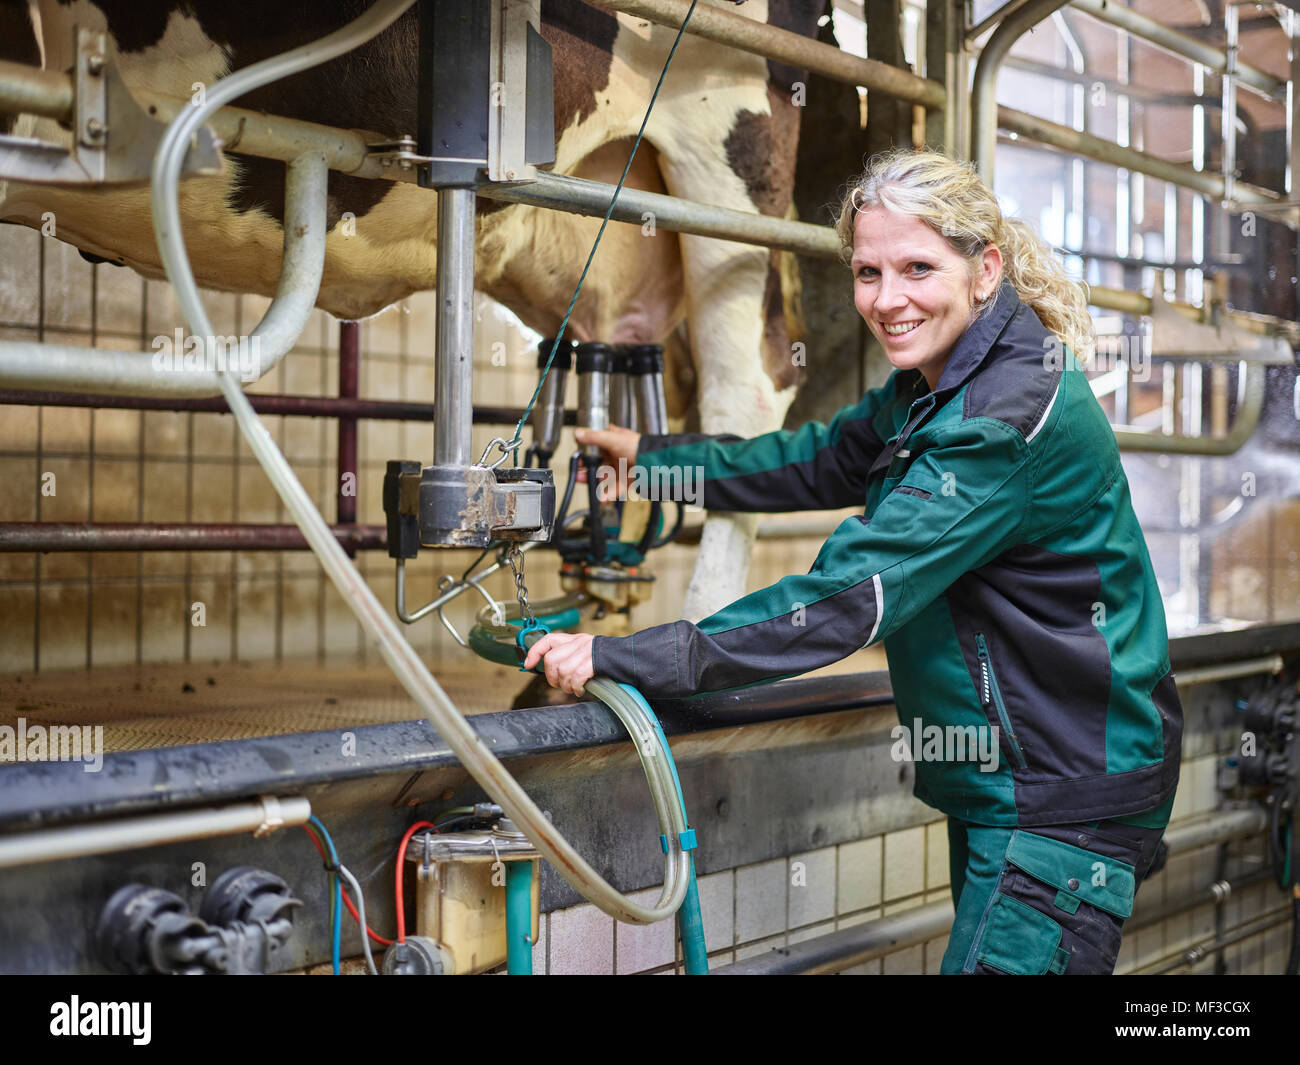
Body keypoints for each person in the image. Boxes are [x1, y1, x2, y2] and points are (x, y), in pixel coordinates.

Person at [523, 148, 1182, 975]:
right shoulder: (940, 379)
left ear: (986, 269)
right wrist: (655, 461)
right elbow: (821, 457)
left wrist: (630, 653)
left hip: (1059, 794)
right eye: (868, 272)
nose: (886, 299)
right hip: (1022, 778)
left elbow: (849, 595)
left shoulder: (997, 418)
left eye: (916, 267)